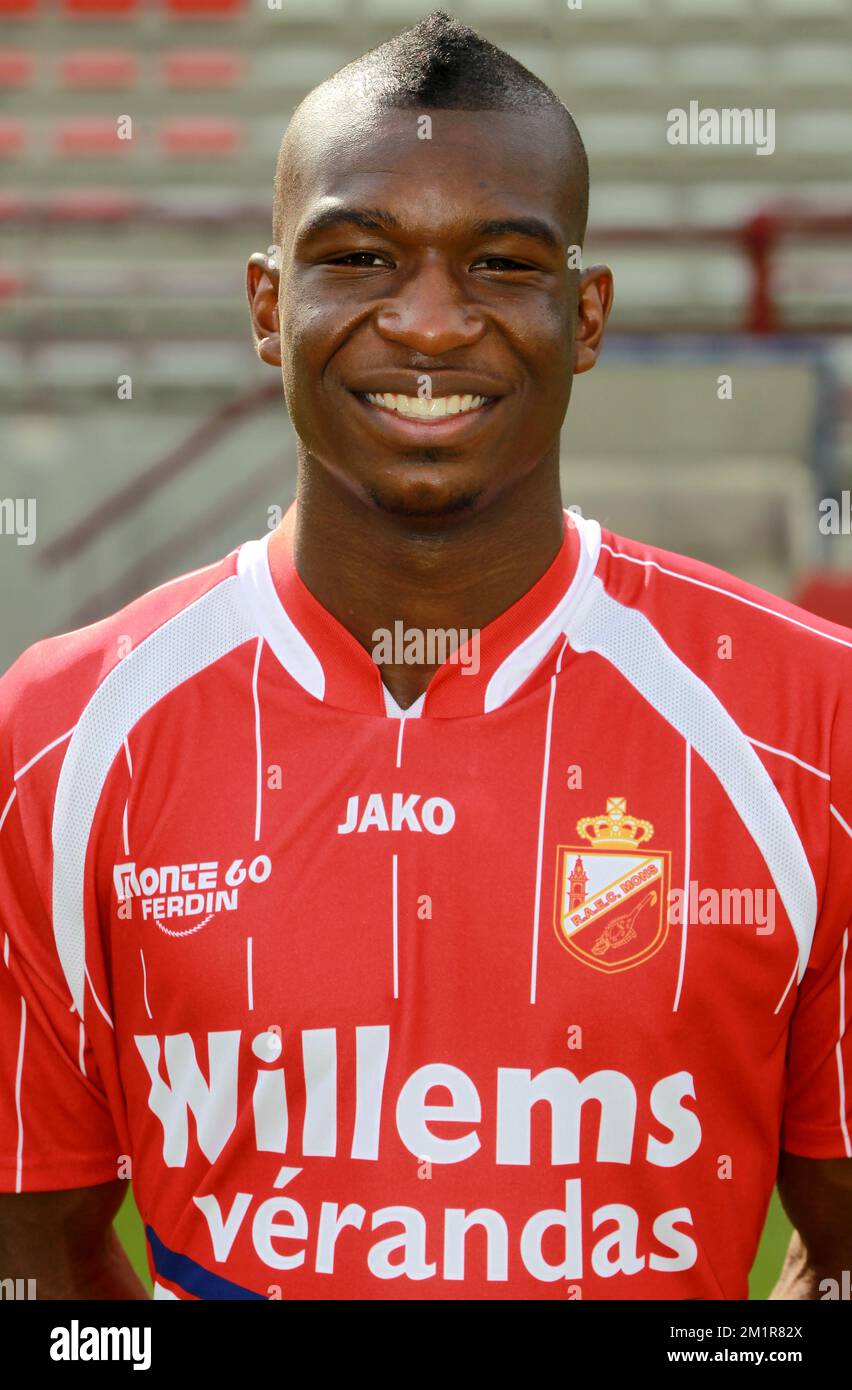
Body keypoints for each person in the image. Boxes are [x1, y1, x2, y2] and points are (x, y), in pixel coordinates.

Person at [0, 12, 849, 1301]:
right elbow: (39, 1266)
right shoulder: (60, 741)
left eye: (504, 264)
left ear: (589, 313)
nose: (434, 323)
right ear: (270, 307)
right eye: (362, 255)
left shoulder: (810, 723)